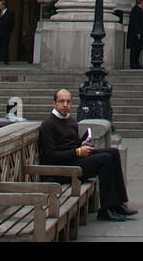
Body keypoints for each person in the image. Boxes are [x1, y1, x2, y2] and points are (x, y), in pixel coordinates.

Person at [39, 89, 136, 222]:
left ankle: (119, 203)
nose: (65, 105)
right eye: (61, 101)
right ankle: (106, 209)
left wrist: (82, 144)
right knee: (104, 160)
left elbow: (71, 144)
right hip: (63, 169)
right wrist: (77, 152)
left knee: (113, 153)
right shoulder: (48, 125)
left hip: (74, 158)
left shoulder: (70, 121)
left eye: (68, 101)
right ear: (54, 104)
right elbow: (51, 156)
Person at [126, 0, 143, 69]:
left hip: (137, 33)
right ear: (142, 1)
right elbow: (136, 22)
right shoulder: (136, 10)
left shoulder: (138, 9)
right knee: (135, 49)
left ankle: (136, 63)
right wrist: (138, 32)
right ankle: (133, 63)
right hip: (136, 34)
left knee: (137, 49)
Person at [0, 0, 15, 65]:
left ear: (3, 5)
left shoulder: (10, 13)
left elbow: (12, 23)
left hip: (5, 33)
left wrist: (8, 31)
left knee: (5, 47)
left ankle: (5, 60)